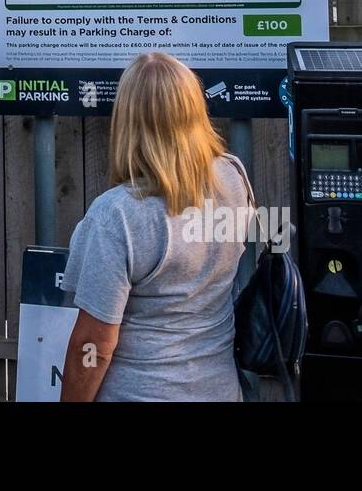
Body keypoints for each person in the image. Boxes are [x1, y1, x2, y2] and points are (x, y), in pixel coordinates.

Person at [59, 51, 252, 402]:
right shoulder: (234, 177)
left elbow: (94, 346)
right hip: (219, 389)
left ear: (128, 119)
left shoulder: (116, 215)